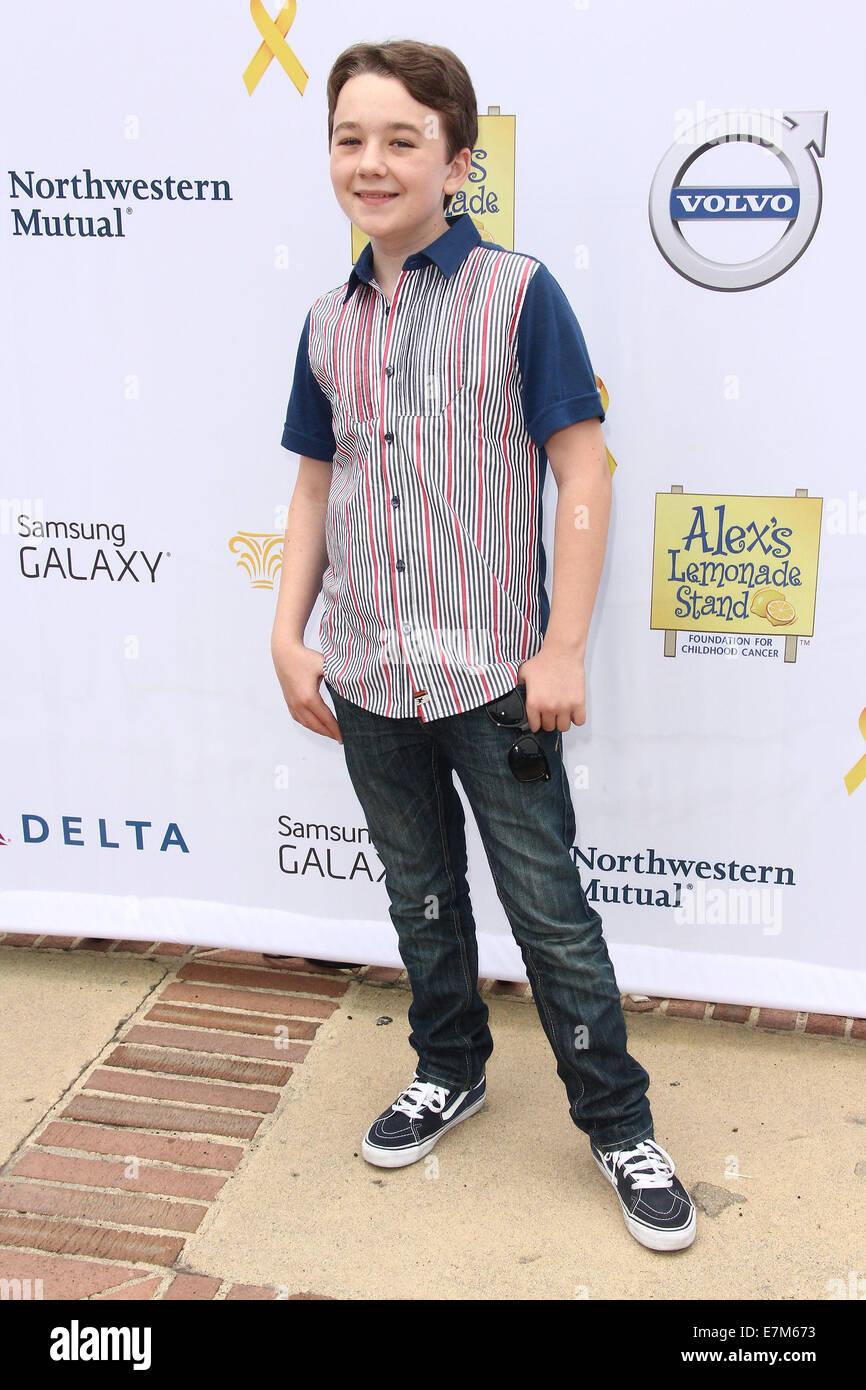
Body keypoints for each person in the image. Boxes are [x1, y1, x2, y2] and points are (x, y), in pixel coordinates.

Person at [271, 38, 696, 1253]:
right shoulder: (322, 319)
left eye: (401, 139)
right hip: (364, 674)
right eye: (350, 138)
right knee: (417, 894)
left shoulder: (518, 293)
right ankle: (448, 1066)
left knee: (549, 909)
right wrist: (286, 631)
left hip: (495, 674)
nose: (372, 161)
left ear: (457, 162)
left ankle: (617, 1123)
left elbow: (581, 468)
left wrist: (561, 647)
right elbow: (314, 491)